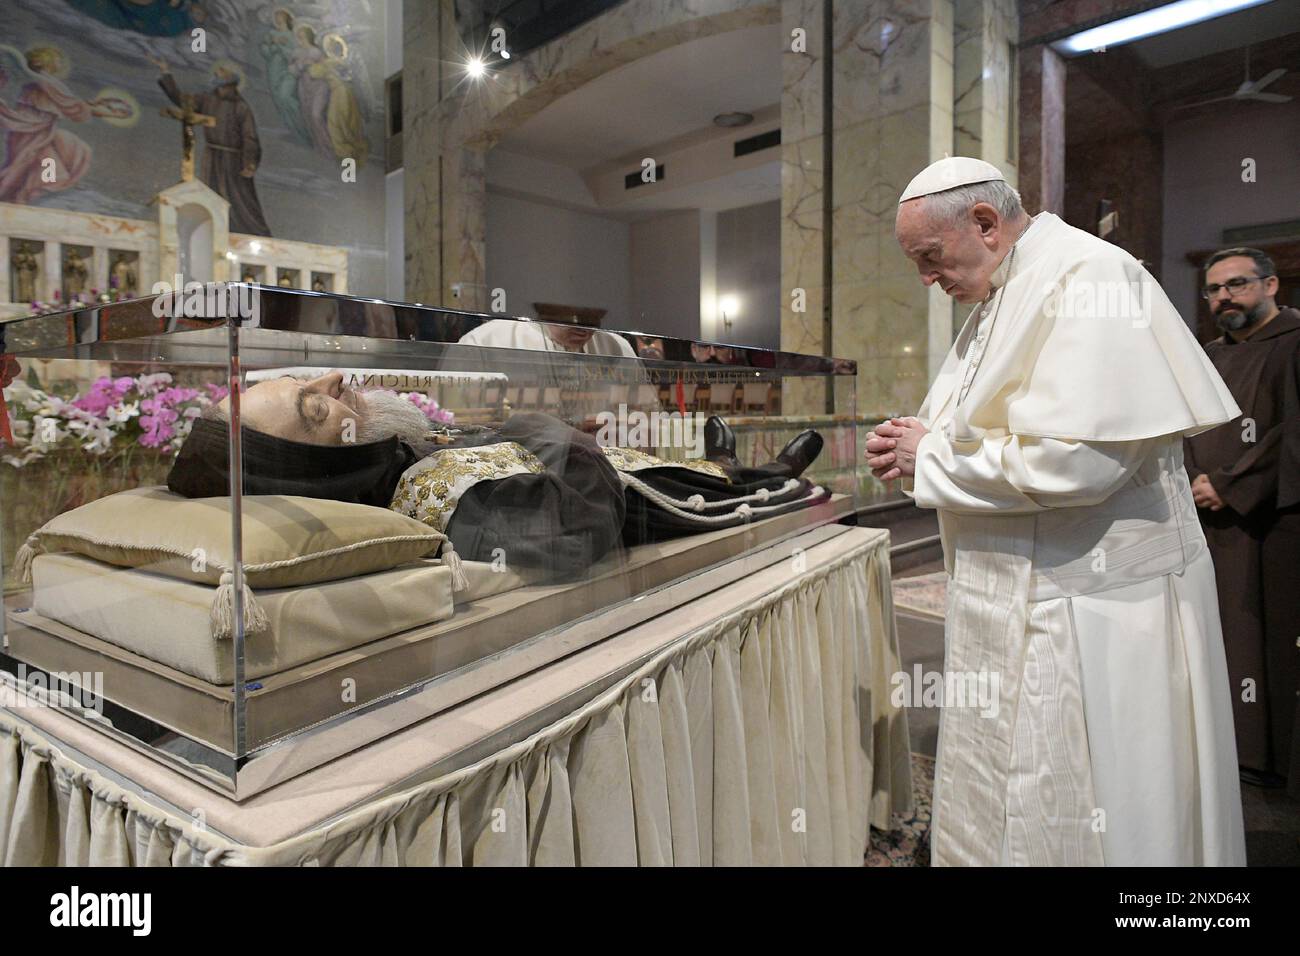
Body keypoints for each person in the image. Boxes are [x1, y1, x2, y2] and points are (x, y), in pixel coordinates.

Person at [866, 156, 1246, 866]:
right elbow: (987, 426)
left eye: (929, 257)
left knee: (1102, 798)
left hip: (1099, 602)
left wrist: (934, 459)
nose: (926, 279)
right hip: (1024, 587)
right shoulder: (998, 297)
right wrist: (920, 442)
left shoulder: (1090, 276)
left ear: (984, 223)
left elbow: (1082, 460)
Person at [167, 371, 827, 578]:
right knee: (724, 488)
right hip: (651, 503)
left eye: (299, 381)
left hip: (625, 469)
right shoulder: (428, 500)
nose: (337, 378)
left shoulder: (406, 454)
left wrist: (557, 440)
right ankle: (760, 474)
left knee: (693, 463)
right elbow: (583, 528)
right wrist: (549, 431)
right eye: (317, 407)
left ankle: (729, 464)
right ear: (321, 465)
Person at [1183, 247, 1300, 791]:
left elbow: (1291, 435)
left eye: (1237, 285)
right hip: (1209, 519)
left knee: (1269, 634)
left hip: (1272, 517)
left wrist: (1230, 484)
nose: (1223, 298)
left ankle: (1272, 759)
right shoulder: (1206, 356)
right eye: (1214, 290)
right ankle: (1229, 748)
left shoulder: (1295, 345)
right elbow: (1184, 427)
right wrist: (1192, 482)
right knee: (1221, 635)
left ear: (1272, 284)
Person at [151, 56, 272, 236]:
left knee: (240, 199)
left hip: (234, 160)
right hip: (213, 156)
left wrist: (250, 163)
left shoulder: (241, 107)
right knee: (213, 196)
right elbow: (182, 100)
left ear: (231, 81)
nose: (217, 77)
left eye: (221, 74)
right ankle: (216, 230)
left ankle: (253, 232)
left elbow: (250, 137)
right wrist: (166, 72)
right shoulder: (208, 100)